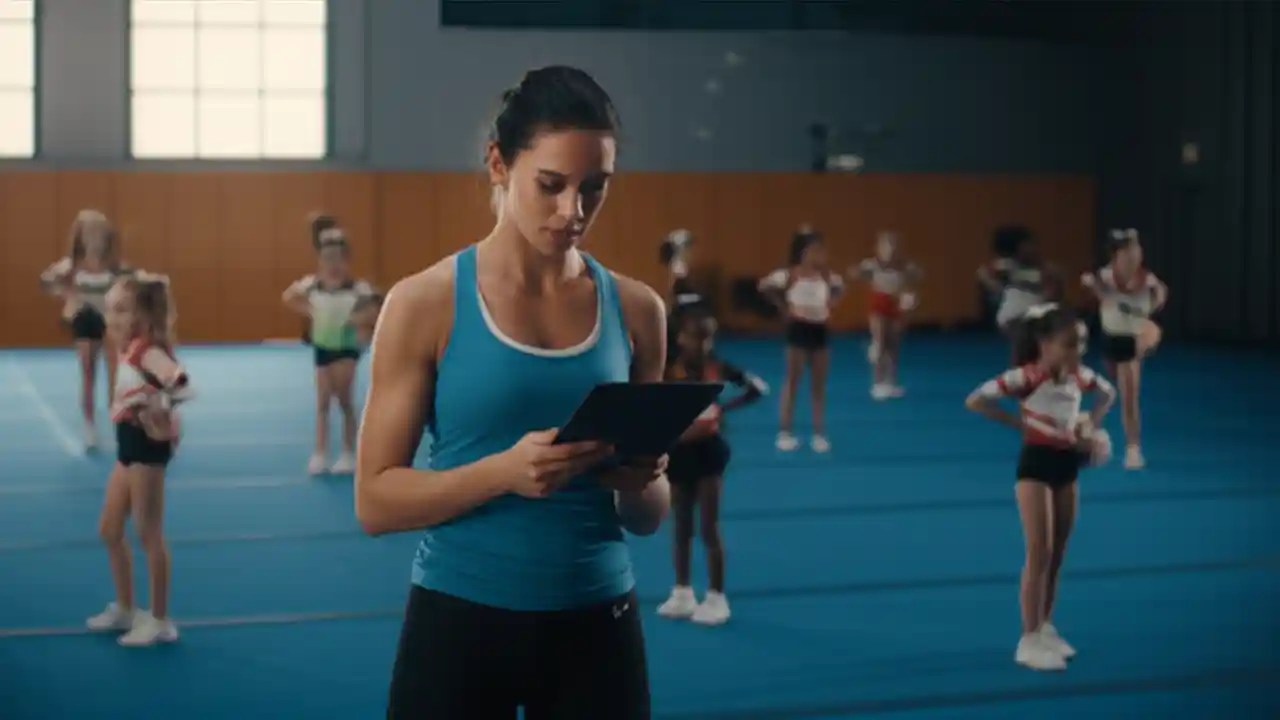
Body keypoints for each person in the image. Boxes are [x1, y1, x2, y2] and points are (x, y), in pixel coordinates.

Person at [354, 65, 668, 719]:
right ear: (498, 164)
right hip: (460, 621)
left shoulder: (638, 310)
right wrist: (503, 473)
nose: (572, 212)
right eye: (550, 185)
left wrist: (642, 476)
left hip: (597, 622)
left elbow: (646, 517)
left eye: (594, 189)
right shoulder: (426, 302)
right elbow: (376, 500)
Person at [965, 303, 1116, 672]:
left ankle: (1045, 626)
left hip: (1068, 466)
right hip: (1035, 466)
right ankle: (1027, 638)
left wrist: (1088, 426)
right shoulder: (1027, 377)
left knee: (1058, 552)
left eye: (1081, 343)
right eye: (1068, 343)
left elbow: (1108, 394)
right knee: (1039, 551)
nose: (1076, 350)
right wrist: (1020, 426)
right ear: (1045, 344)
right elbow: (975, 400)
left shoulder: (1081, 377)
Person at [85, 273, 193, 647]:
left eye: (119, 310)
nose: (110, 317)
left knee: (148, 533)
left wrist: (158, 402)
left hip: (147, 446)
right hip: (127, 443)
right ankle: (127, 608)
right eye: (109, 309)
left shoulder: (148, 350)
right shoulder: (128, 346)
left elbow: (183, 384)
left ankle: (160, 619)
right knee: (110, 529)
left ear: (143, 316)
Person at [656, 310, 766, 626]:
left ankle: (717, 596)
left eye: (707, 337)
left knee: (708, 526)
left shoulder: (719, 367)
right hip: (678, 451)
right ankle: (682, 591)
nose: (701, 343)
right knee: (680, 526)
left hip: (709, 452)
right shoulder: (669, 369)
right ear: (680, 338)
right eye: (694, 336)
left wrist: (722, 409)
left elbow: (756, 389)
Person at [282, 226, 380, 475]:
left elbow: (378, 308)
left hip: (345, 349)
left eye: (338, 259)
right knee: (322, 402)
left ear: (346, 261)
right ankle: (320, 452)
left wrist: (357, 319)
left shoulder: (357, 288)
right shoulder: (313, 286)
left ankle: (348, 452)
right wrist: (309, 309)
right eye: (328, 260)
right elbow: (288, 297)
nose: (333, 265)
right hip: (322, 347)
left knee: (344, 400)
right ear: (321, 262)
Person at [38, 210, 134, 450]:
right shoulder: (71, 265)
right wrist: (64, 292)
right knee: (88, 371)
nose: (94, 237)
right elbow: (46, 282)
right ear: (80, 236)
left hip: (108, 319)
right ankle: (89, 425)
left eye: (99, 232)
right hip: (84, 317)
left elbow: (132, 285)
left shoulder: (114, 266)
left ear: (106, 236)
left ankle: (118, 417)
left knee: (115, 368)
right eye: (89, 232)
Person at [1081, 228, 1167, 470]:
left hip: (1134, 337)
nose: (1135, 256)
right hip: (1112, 339)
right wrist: (1095, 287)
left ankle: (1133, 449)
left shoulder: (1148, 280)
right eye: (1129, 252)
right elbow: (1102, 297)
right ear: (1116, 255)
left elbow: (1160, 299)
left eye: (1137, 251)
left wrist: (1156, 299)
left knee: (1130, 396)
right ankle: (1089, 427)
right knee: (1113, 389)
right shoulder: (1103, 277)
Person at [758, 226, 843, 453]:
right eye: (813, 251)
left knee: (818, 385)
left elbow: (838, 290)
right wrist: (784, 306)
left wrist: (831, 305)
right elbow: (764, 286)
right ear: (802, 252)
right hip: (798, 329)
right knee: (793, 381)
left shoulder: (828, 277)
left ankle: (818, 433)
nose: (818, 256)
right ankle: (785, 431)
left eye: (820, 251)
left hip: (820, 329)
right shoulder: (789, 275)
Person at [849, 230, 921, 399]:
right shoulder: (872, 265)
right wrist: (858, 272)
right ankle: (877, 383)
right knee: (880, 343)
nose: (890, 251)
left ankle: (891, 381)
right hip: (878, 308)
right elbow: (854, 272)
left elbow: (917, 275)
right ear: (879, 249)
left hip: (895, 307)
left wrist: (910, 297)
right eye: (886, 247)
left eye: (894, 247)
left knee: (893, 345)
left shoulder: (903, 266)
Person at [977, 228, 1062, 358]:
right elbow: (982, 273)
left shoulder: (1047, 269)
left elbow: (1053, 292)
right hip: (1015, 317)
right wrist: (999, 289)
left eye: (1033, 244)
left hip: (1039, 315)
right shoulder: (1006, 266)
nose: (1033, 247)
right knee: (1022, 345)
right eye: (1028, 244)